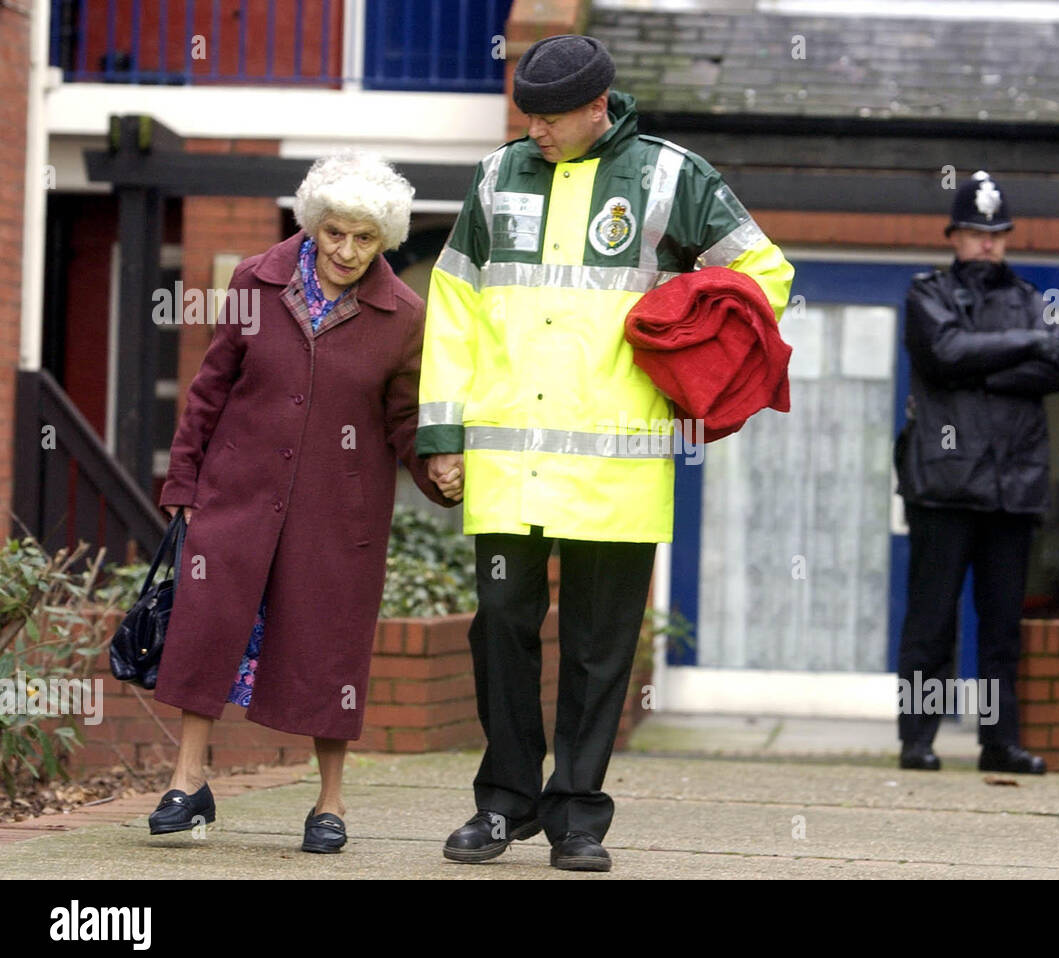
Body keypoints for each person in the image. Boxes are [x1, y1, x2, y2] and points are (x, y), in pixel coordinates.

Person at [419, 34, 793, 871]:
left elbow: (764, 275)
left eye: (552, 119)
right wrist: (442, 435)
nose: (536, 132)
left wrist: (684, 314)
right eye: (529, 117)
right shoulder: (495, 175)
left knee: (598, 646)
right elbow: (453, 305)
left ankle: (577, 819)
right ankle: (502, 803)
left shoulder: (672, 175)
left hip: (617, 464)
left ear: (599, 107)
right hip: (508, 460)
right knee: (502, 628)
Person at [149, 151, 454, 851]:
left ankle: (329, 803)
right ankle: (188, 783)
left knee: (330, 648)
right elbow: (210, 387)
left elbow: (404, 419)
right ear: (314, 226)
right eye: (335, 233)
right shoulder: (255, 281)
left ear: (386, 240)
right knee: (207, 629)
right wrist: (186, 482)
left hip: (337, 512)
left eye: (365, 238)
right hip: (237, 494)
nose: (347, 251)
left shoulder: (402, 315)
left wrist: (438, 469)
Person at [893, 170, 1059, 774]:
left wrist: (978, 364)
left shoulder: (1029, 297)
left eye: (997, 234)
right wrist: (1021, 348)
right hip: (943, 485)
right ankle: (917, 739)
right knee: (931, 622)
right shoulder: (928, 295)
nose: (987, 244)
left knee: (1001, 630)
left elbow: (1056, 370)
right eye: (975, 233)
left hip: (1011, 487)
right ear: (954, 236)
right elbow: (941, 356)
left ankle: (1000, 742)